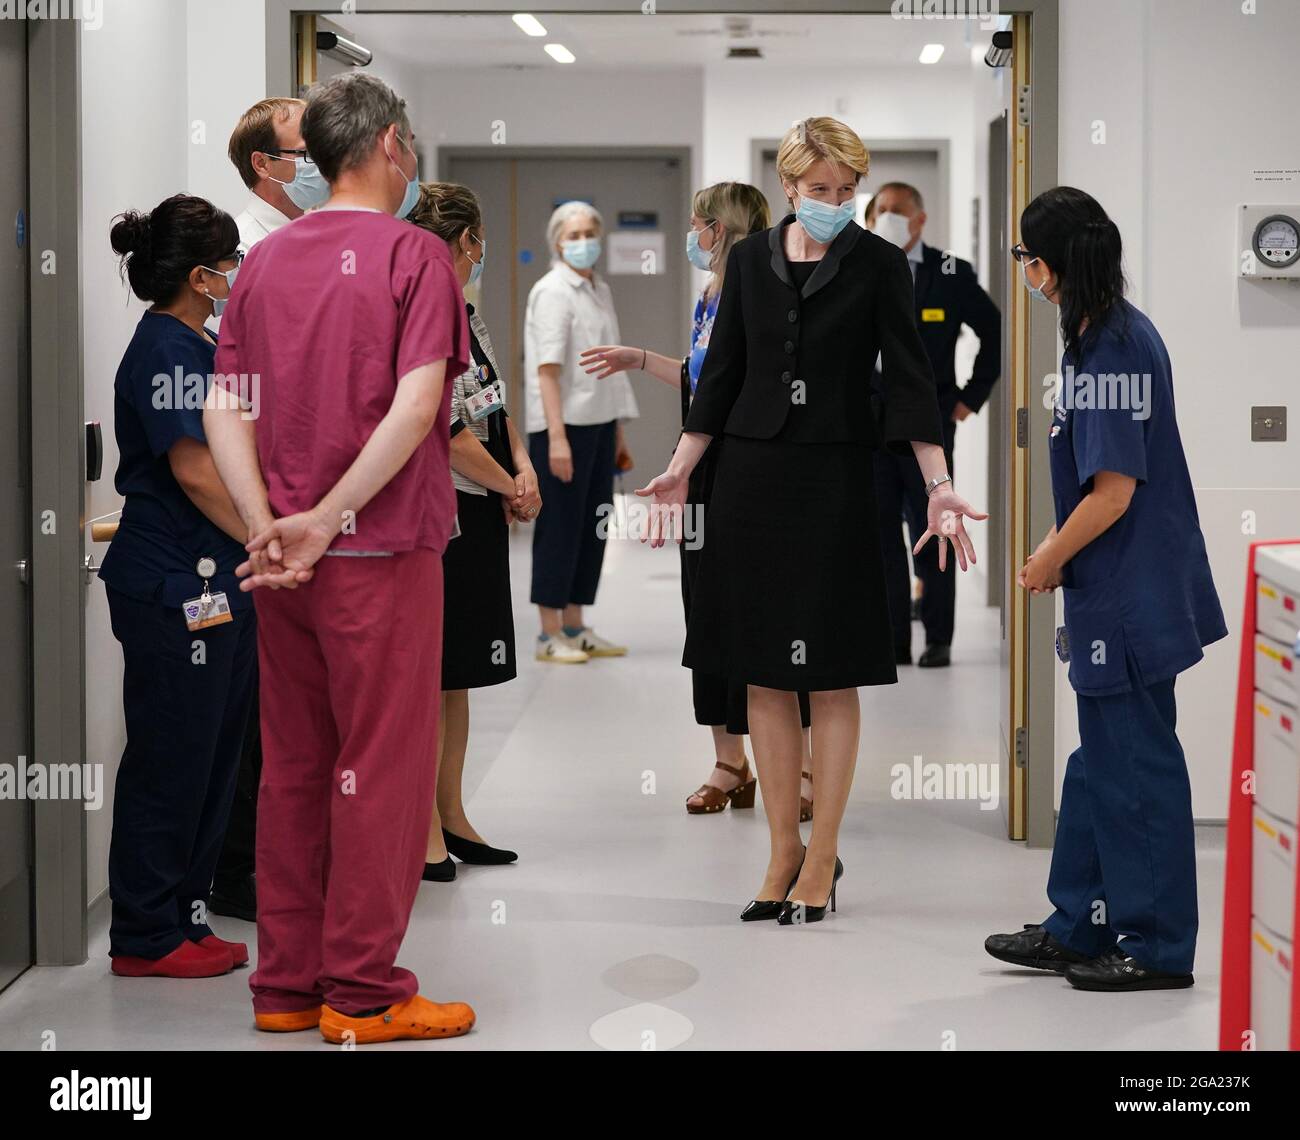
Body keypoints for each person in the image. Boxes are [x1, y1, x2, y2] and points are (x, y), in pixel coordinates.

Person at [638, 117, 986, 924]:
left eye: (847, 191)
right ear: (788, 187)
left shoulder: (875, 265)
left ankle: (822, 854)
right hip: (751, 483)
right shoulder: (750, 263)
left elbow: (908, 381)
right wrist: (683, 466)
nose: (835, 204)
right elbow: (721, 374)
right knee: (762, 670)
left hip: (838, 479)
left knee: (829, 672)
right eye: (820, 190)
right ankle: (779, 854)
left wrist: (935, 480)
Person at [203, 72, 475, 1043]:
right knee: (380, 769)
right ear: (393, 145)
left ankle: (284, 984)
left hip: (283, 564)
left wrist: (265, 520)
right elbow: (414, 408)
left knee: (297, 767)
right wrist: (328, 517)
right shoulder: (415, 256)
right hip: (379, 551)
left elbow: (223, 403)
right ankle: (361, 993)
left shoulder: (265, 265)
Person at [984, 187, 1226, 991]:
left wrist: (1045, 557)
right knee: (1098, 764)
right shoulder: (1095, 335)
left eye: (1025, 258)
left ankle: (1155, 948)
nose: (1024, 270)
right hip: (1121, 589)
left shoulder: (1116, 347)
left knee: (1135, 770)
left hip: (1128, 594)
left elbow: (1114, 491)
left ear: (1049, 265)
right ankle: (1079, 927)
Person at [579, 183, 817, 821]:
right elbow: (704, 375)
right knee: (707, 608)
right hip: (704, 470)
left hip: (758, 468)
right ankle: (729, 761)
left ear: (720, 228)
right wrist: (638, 359)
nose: (691, 234)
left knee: (770, 613)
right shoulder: (711, 295)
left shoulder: (778, 289)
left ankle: (799, 765)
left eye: (697, 224)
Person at [100, 194, 253, 979]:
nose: (236, 274)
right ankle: (145, 934)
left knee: (212, 756)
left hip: (216, 580)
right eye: (228, 263)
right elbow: (196, 472)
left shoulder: (197, 341)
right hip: (174, 583)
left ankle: (187, 918)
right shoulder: (164, 349)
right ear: (200, 275)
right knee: (172, 757)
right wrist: (268, 535)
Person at [209, 96, 327, 924]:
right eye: (303, 148)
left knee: (296, 707)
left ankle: (288, 866)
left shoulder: (307, 241)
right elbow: (237, 397)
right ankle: (244, 876)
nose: (319, 157)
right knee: (256, 710)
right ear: (267, 165)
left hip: (308, 504)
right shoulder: (246, 252)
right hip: (262, 509)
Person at [407, 181, 541, 880]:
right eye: (479, 238)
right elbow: (448, 433)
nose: (482, 249)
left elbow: (493, 406)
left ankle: (453, 816)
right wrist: (508, 482)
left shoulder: (467, 311)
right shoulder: (422, 313)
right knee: (430, 679)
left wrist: (520, 467)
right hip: (448, 513)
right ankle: (423, 833)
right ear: (465, 241)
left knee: (457, 677)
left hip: (484, 500)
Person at [866, 183, 1001, 668]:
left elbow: (995, 332)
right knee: (881, 535)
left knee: (938, 528)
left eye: (897, 212)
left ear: (919, 219)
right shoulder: (858, 269)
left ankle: (939, 637)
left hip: (931, 424)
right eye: (880, 211)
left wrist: (968, 399)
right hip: (871, 423)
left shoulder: (951, 273)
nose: (886, 218)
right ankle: (893, 638)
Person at [524, 200, 638, 663]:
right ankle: (549, 632)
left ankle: (575, 623)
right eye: (573, 235)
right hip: (563, 425)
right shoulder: (552, 291)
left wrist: (618, 435)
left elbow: (609, 366)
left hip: (600, 423)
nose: (583, 242)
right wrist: (555, 438)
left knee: (593, 527)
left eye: (590, 232)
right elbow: (547, 370)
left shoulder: (598, 289)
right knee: (559, 527)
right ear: (557, 242)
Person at [226, 96, 327, 252]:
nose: (324, 162)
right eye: (306, 152)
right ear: (261, 164)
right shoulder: (241, 250)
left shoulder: (322, 233)